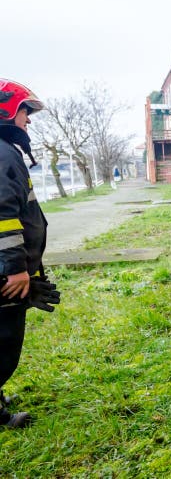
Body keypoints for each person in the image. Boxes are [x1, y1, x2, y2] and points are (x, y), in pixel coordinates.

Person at [0, 79, 61, 427]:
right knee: (3, 342)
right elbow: (3, 218)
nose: (29, 119)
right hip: (5, 274)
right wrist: (16, 270)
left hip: (6, 269)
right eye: (26, 111)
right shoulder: (3, 153)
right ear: (8, 110)